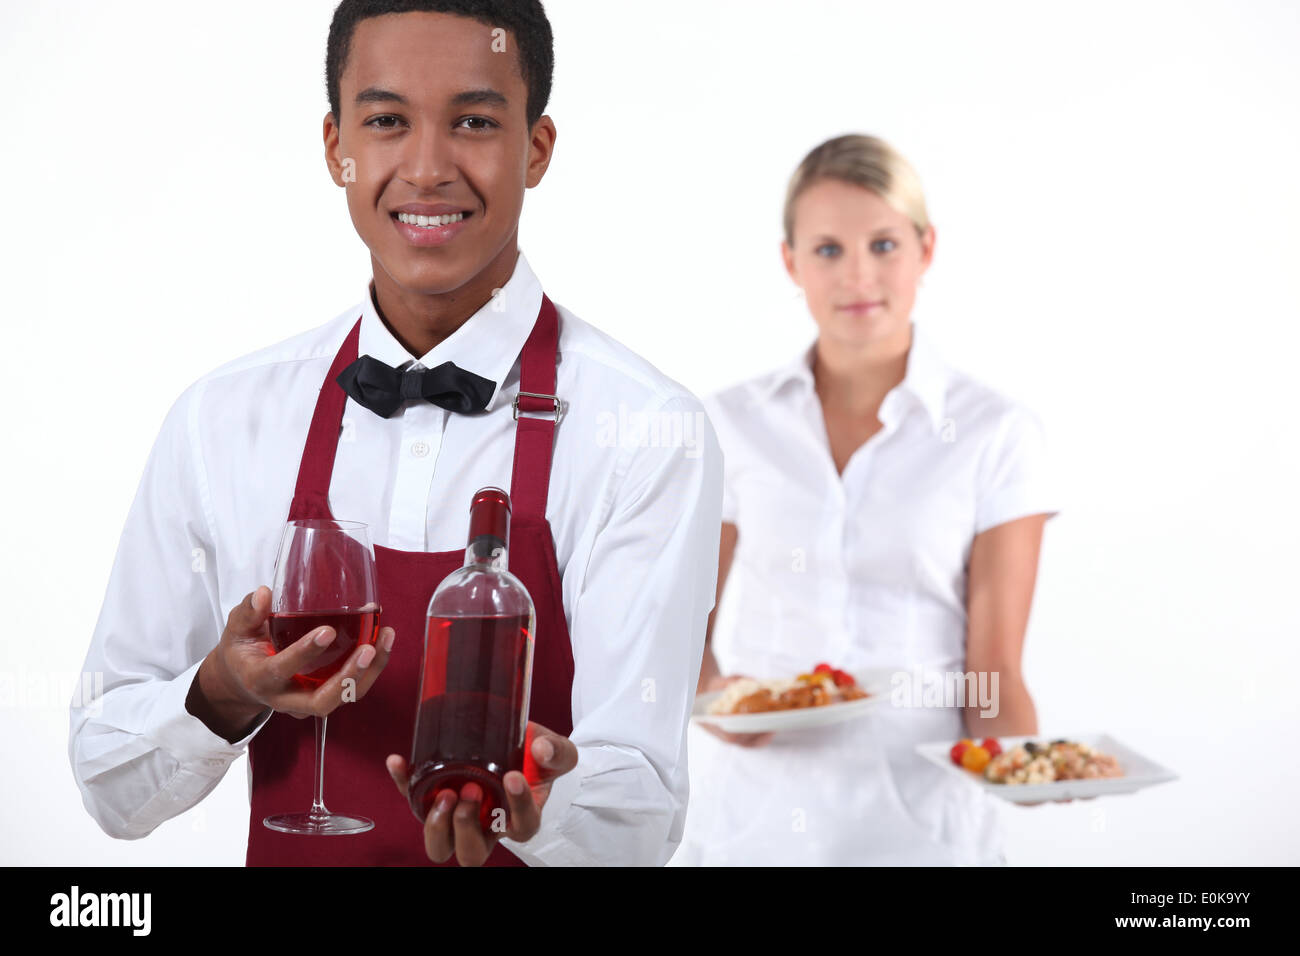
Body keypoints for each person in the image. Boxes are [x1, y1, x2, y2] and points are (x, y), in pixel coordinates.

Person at [69, 0, 722, 868]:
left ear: (537, 148)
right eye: (386, 121)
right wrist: (221, 694)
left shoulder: (645, 430)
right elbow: (107, 780)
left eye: (475, 121)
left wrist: (544, 800)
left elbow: (639, 816)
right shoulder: (223, 420)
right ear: (337, 146)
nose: (426, 167)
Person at [673, 134, 1061, 866]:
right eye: (827, 250)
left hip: (923, 829)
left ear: (926, 249)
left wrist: (1035, 764)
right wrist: (716, 698)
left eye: (883, 244)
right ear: (790, 261)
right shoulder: (730, 424)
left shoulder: (995, 433)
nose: (858, 275)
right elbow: (683, 630)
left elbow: (995, 673)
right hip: (752, 825)